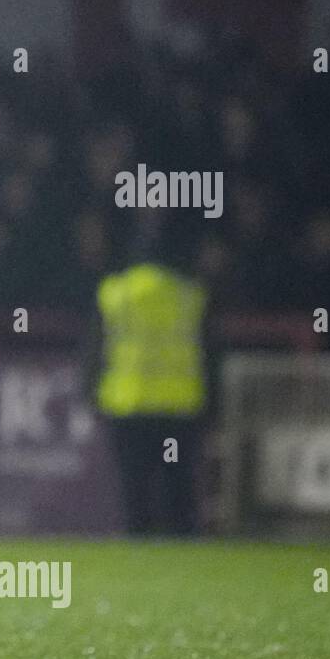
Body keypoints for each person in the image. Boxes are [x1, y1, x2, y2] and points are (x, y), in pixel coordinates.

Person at [85, 226, 210, 536]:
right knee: (178, 485)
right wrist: (212, 402)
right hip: (178, 407)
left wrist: (89, 390)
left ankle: (139, 547)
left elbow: (95, 348)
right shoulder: (190, 295)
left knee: (135, 487)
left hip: (129, 405)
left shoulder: (115, 294)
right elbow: (210, 352)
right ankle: (183, 549)